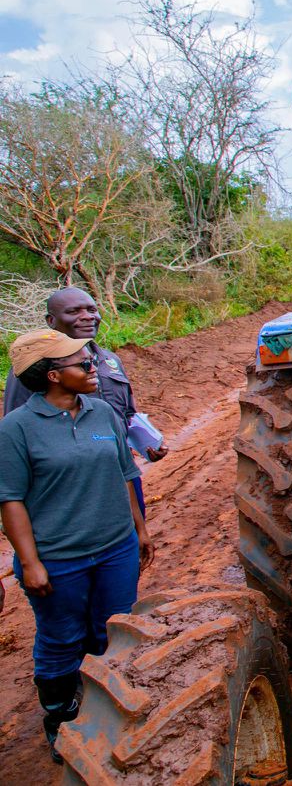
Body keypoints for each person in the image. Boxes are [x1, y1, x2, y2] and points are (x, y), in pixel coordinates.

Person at [0, 329, 154, 762]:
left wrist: (139, 531)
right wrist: (29, 563)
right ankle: (61, 717)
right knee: (61, 638)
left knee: (115, 630)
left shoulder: (102, 412)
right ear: (52, 375)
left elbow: (126, 474)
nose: (94, 369)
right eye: (84, 365)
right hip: (59, 558)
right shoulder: (16, 429)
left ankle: (111, 707)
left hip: (114, 549)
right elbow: (10, 500)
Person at [4, 287, 168, 516]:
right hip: (68, 481)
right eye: (74, 311)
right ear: (52, 321)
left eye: (92, 309)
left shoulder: (110, 361)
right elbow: (16, 427)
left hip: (119, 469)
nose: (88, 316)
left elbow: (128, 413)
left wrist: (146, 444)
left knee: (129, 534)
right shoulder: (35, 368)